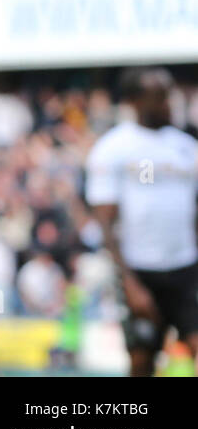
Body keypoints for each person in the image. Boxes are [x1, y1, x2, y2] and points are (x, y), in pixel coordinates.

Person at [86, 67, 198, 377]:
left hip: (186, 268)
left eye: (169, 95)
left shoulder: (187, 147)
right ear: (134, 101)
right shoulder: (113, 148)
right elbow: (106, 223)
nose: (168, 104)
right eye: (159, 97)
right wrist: (130, 283)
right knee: (141, 360)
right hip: (140, 271)